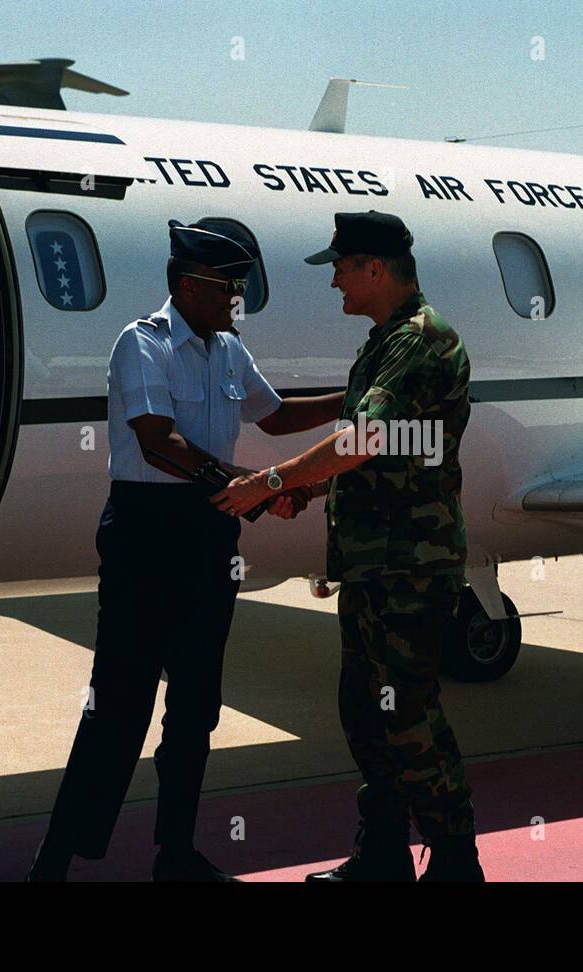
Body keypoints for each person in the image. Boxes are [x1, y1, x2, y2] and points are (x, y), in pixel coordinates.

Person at [27, 219, 343, 882]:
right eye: (227, 288)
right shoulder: (142, 344)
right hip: (147, 530)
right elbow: (156, 443)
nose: (236, 300)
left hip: (209, 533)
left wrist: (351, 398)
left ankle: (175, 854)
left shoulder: (228, 349)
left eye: (240, 288)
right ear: (185, 283)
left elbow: (275, 415)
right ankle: (54, 861)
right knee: (118, 703)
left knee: (196, 705)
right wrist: (255, 488)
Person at [211, 211, 482, 881]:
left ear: (375, 269)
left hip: (411, 567)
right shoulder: (384, 341)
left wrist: (270, 479)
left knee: (409, 716)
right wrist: (306, 493)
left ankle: (455, 862)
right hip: (375, 562)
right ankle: (384, 855)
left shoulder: (421, 341)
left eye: (339, 266)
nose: (333, 280)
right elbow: (378, 458)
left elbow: (361, 439)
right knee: (365, 713)